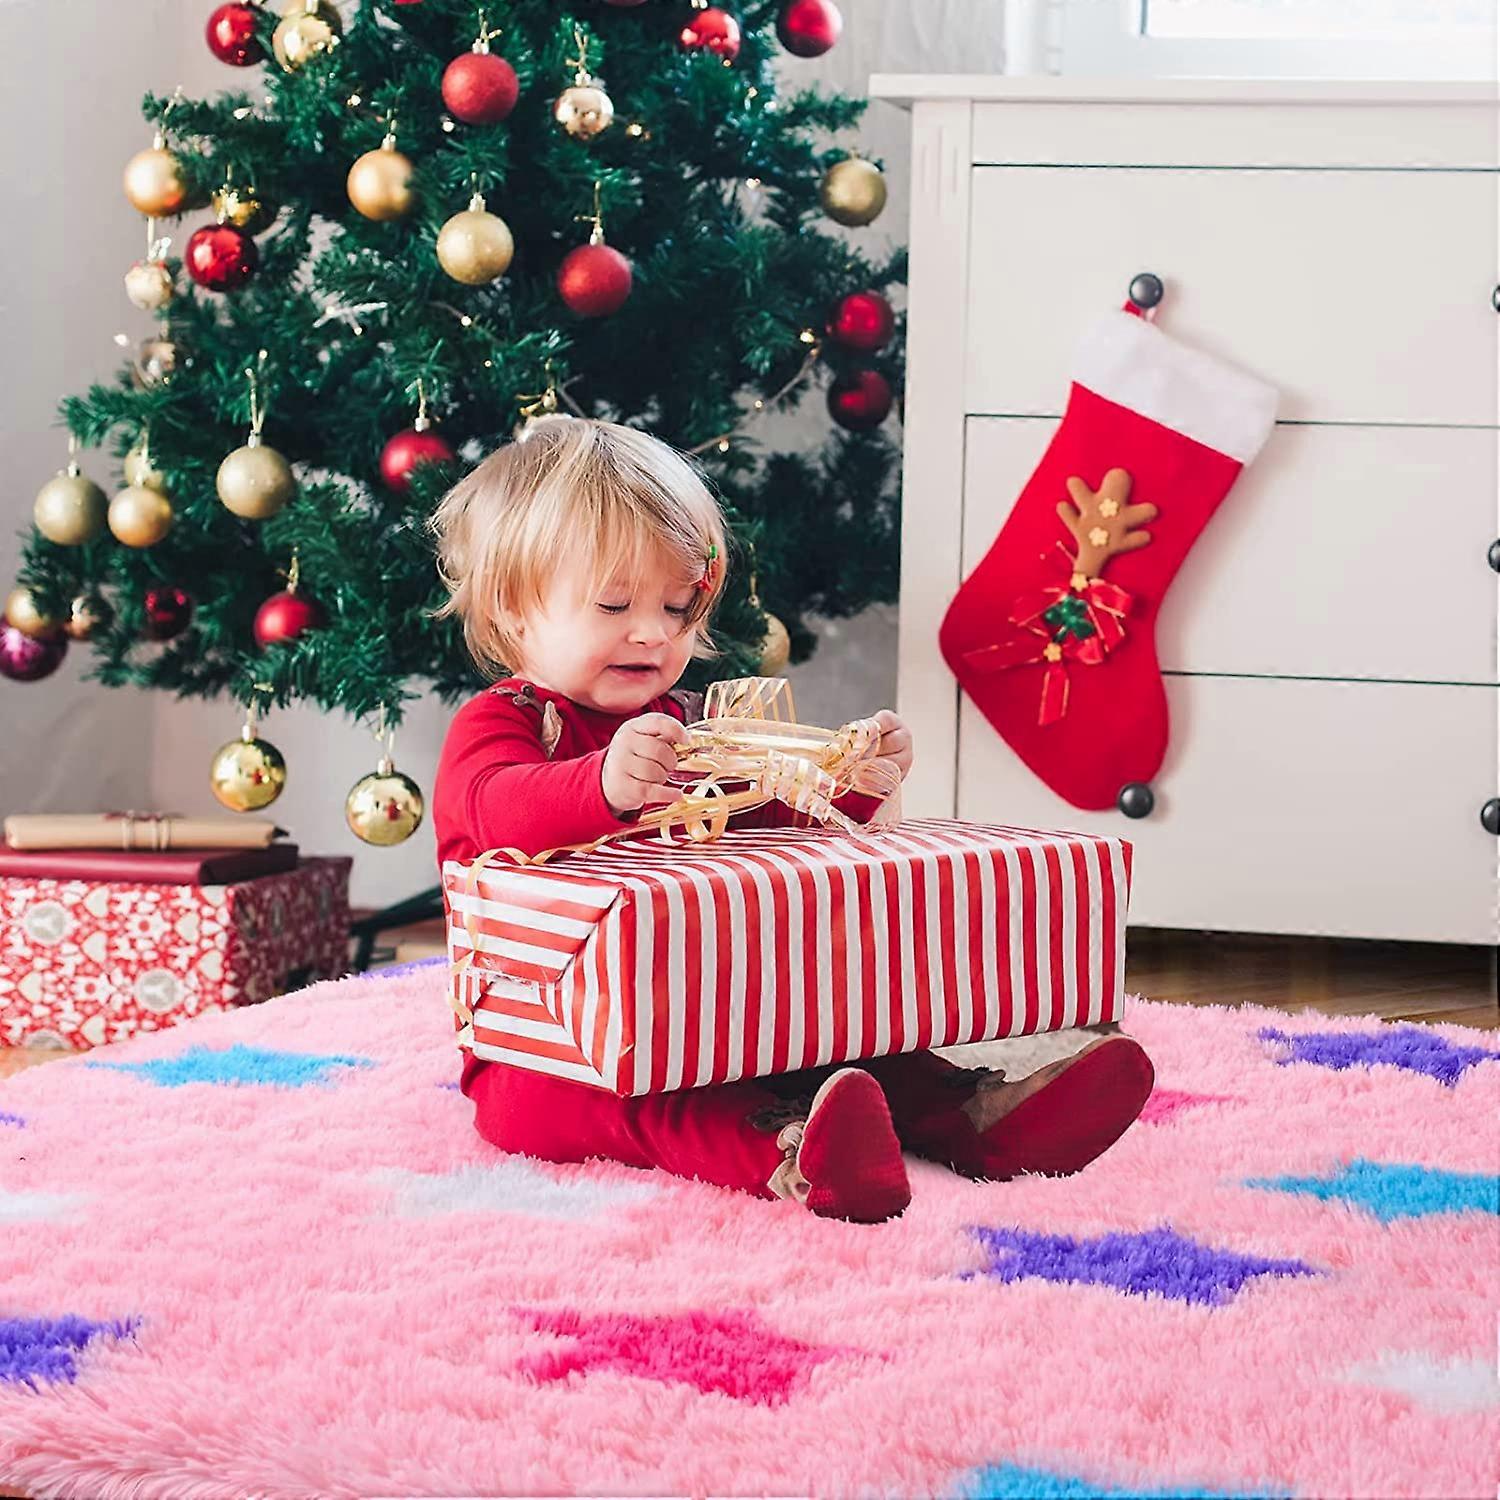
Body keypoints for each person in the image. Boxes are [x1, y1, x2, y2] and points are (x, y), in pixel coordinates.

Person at [428, 416, 1154, 1223]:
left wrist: (853, 784)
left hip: (712, 1008)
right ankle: (794, 1155)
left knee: (855, 1045)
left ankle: (980, 1116)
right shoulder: (505, 723)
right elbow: (491, 806)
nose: (655, 632)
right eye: (614, 603)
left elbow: (775, 816)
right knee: (657, 1107)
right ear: (514, 609)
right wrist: (601, 781)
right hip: (553, 1054)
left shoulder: (697, 720)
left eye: (678, 605)